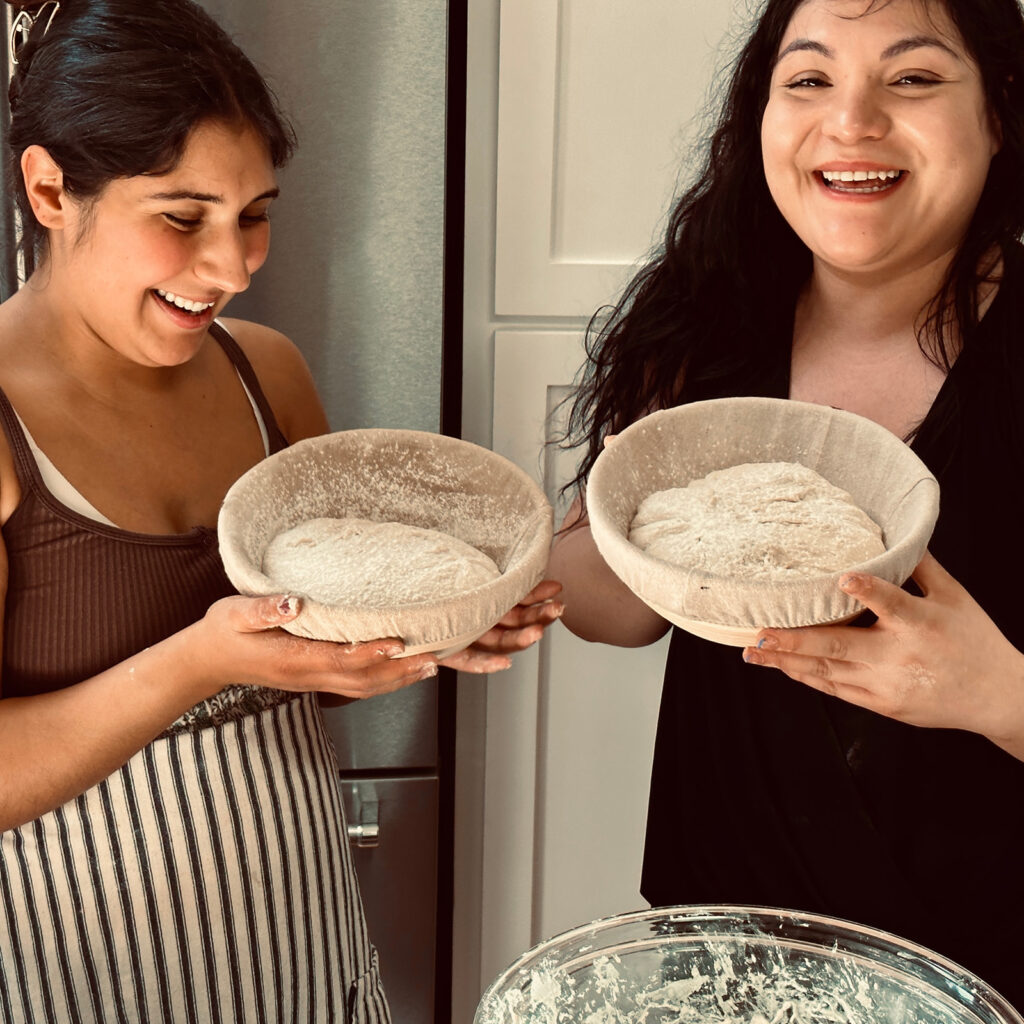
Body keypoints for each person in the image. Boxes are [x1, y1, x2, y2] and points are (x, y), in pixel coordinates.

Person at [0, 1, 563, 1021]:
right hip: (78, 967)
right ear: (50, 190)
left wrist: (426, 629)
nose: (234, 264)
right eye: (181, 218)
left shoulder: (268, 374)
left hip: (300, 945)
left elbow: (309, 678)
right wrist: (200, 658)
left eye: (255, 212)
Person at [549, 0, 1024, 1007]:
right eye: (808, 78)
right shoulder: (704, 319)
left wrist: (997, 693)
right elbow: (630, 598)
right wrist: (507, 576)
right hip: (726, 959)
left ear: (1001, 115)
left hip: (984, 977)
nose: (849, 120)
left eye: (913, 79)